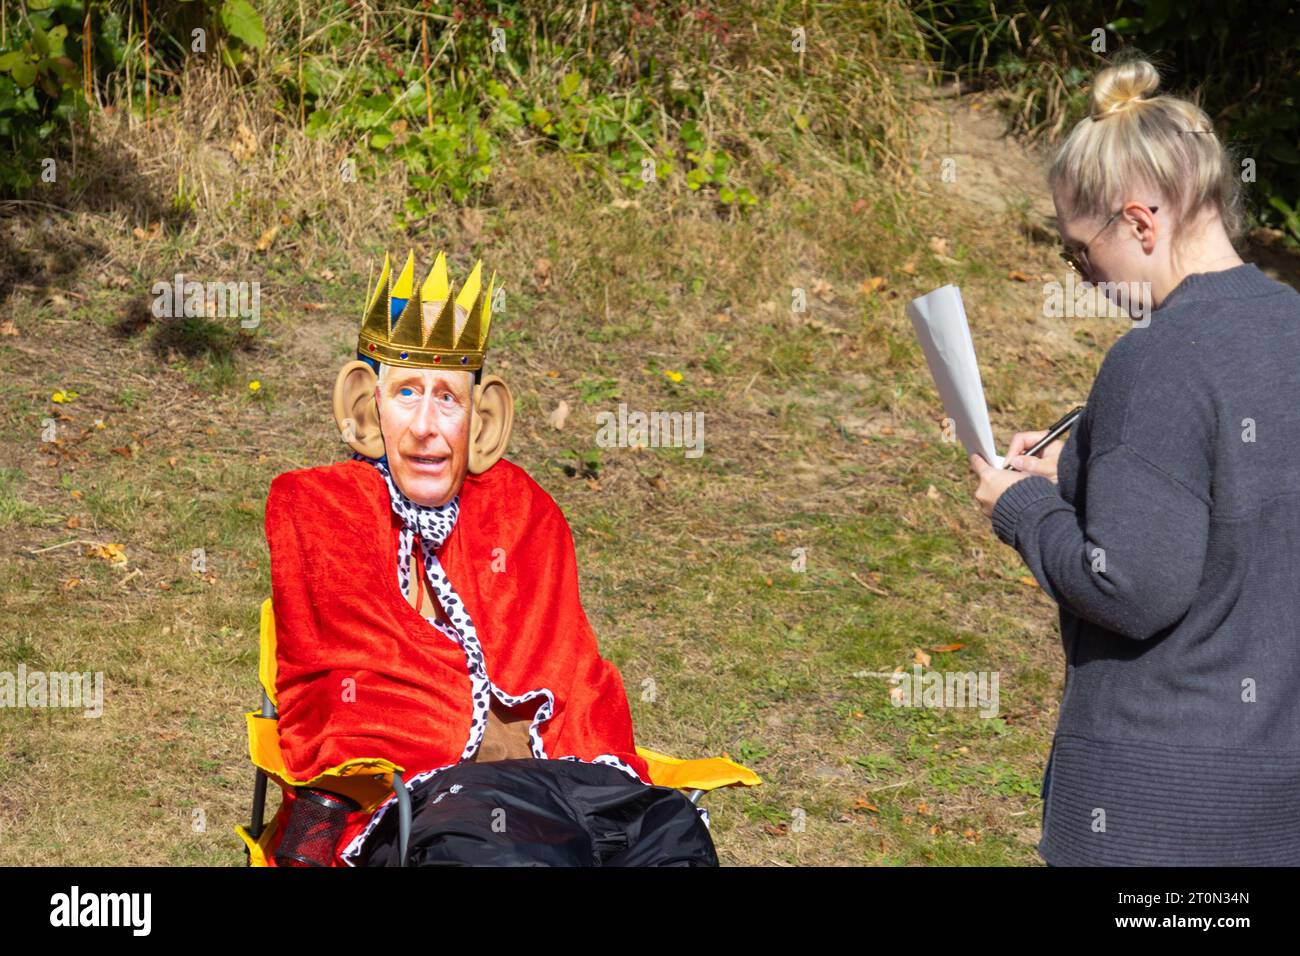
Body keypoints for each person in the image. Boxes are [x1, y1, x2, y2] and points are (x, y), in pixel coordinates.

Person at [261, 250, 717, 866]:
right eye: (406, 393)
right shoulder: (319, 507)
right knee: (505, 852)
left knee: (672, 830)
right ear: (365, 408)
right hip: (423, 799)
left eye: (447, 398)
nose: (426, 426)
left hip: (565, 780)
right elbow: (361, 675)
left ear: (483, 422)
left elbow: (571, 670)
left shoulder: (521, 513)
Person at [969, 56, 1300, 866]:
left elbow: (1133, 586)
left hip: (1154, 811)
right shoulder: (1289, 322)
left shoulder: (1153, 358)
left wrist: (1023, 511)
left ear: (1141, 224)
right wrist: (1081, 474)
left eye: (1080, 253)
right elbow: (1242, 509)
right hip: (1274, 801)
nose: (1083, 279)